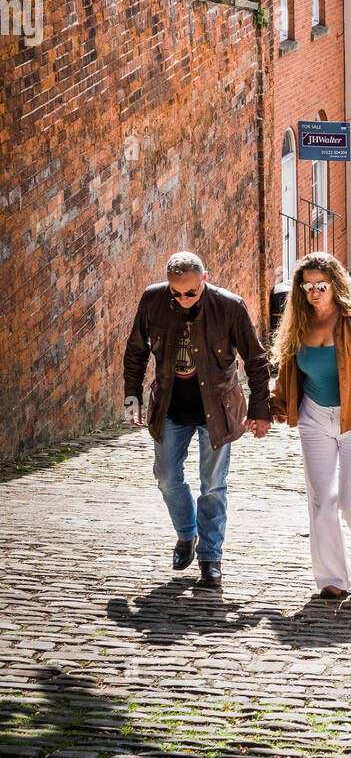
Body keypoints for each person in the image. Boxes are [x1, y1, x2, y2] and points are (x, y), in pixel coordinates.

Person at [123, 251, 272, 591]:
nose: (183, 299)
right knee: (165, 477)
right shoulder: (153, 299)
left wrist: (261, 409)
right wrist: (133, 396)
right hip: (170, 407)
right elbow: (136, 350)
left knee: (213, 486)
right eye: (176, 293)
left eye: (190, 293)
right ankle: (187, 533)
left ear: (204, 280)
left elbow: (257, 359)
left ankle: (210, 559)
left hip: (216, 411)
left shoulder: (230, 306)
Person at [270, 253, 351, 598]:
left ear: (335, 285)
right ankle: (332, 578)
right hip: (314, 418)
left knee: (350, 503)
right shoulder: (297, 321)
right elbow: (287, 372)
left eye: (322, 286)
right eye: (308, 286)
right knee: (321, 501)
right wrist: (275, 406)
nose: (314, 292)